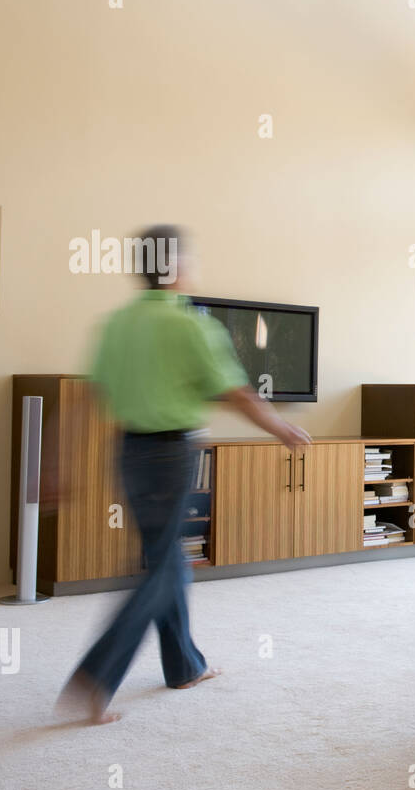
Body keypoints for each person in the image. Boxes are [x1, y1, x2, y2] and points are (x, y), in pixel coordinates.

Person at [58, 225, 310, 725]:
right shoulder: (192, 323)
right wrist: (280, 427)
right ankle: (98, 673)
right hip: (171, 453)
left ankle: (183, 666)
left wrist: (57, 461)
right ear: (176, 268)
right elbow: (236, 392)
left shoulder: (117, 324)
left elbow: (88, 396)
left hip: (128, 449)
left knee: (164, 555)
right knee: (165, 566)